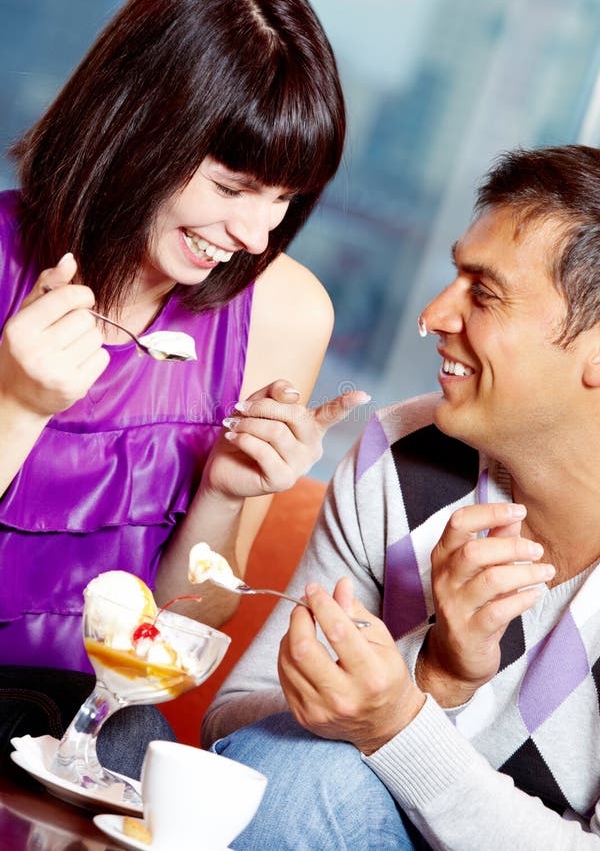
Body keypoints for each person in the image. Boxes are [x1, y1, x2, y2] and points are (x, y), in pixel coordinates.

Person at [0, 0, 368, 775]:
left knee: (141, 749)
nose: (255, 235)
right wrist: (17, 406)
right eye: (233, 186)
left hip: (95, 721)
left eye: (283, 199)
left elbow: (174, 640)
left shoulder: (283, 313)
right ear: (136, 127)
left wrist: (223, 497)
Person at [203, 144, 600, 849]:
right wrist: (434, 673)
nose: (433, 313)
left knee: (308, 786)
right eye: (455, 275)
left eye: (483, 292)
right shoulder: (406, 457)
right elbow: (232, 729)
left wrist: (398, 724)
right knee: (122, 734)